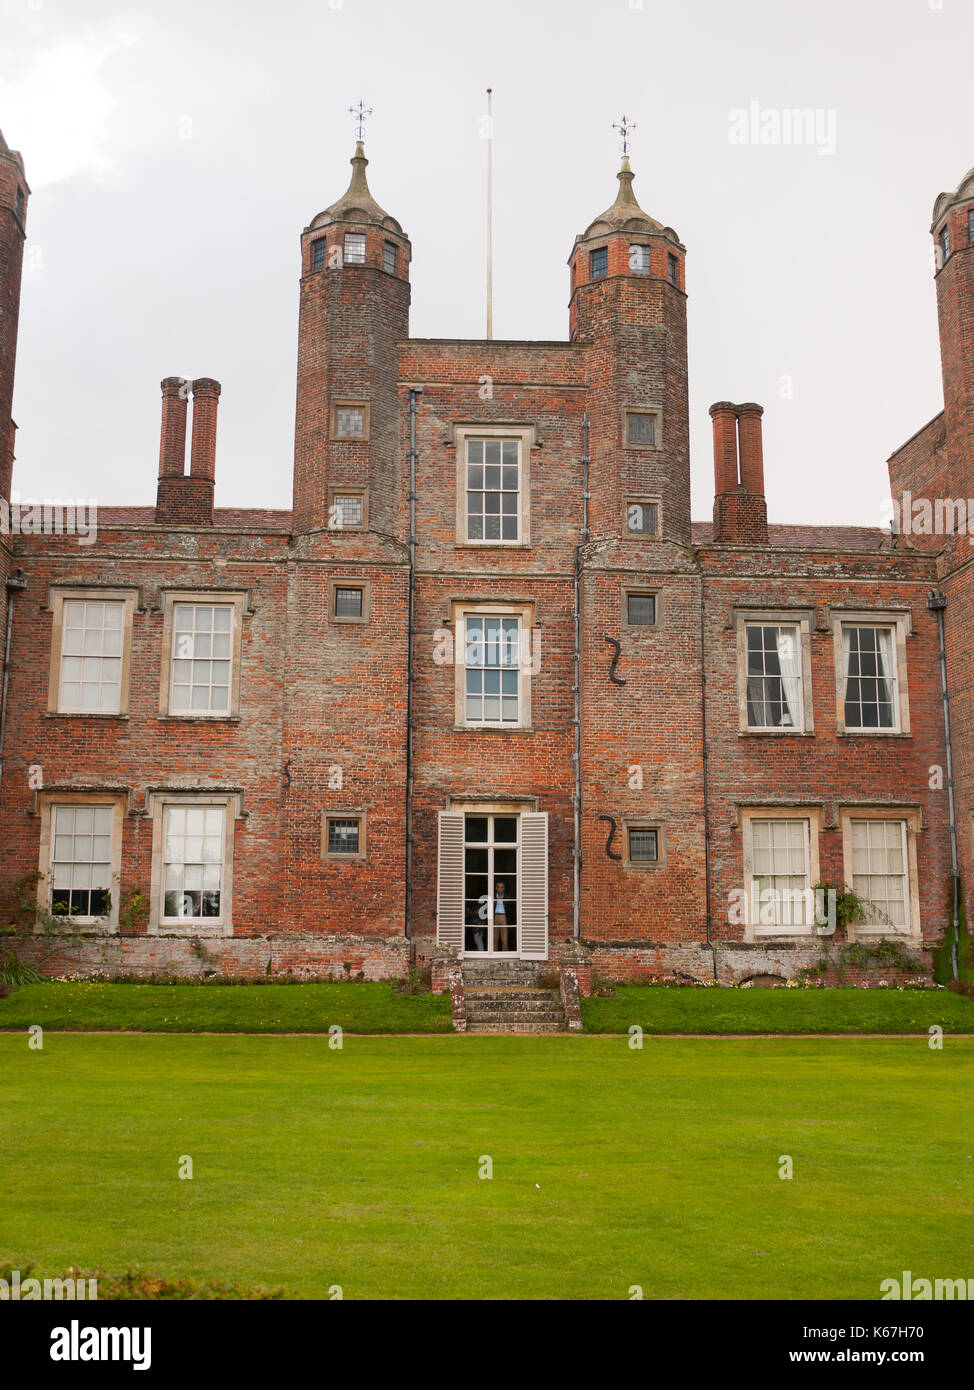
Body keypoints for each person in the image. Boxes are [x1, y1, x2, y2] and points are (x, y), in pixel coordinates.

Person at [493, 880, 508, 952]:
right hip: (495, 916)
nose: (500, 889)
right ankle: (494, 952)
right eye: (498, 887)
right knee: (495, 937)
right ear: (496, 888)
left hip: (503, 916)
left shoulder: (507, 897)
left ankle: (504, 952)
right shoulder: (493, 896)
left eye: (501, 887)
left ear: (504, 889)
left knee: (504, 937)